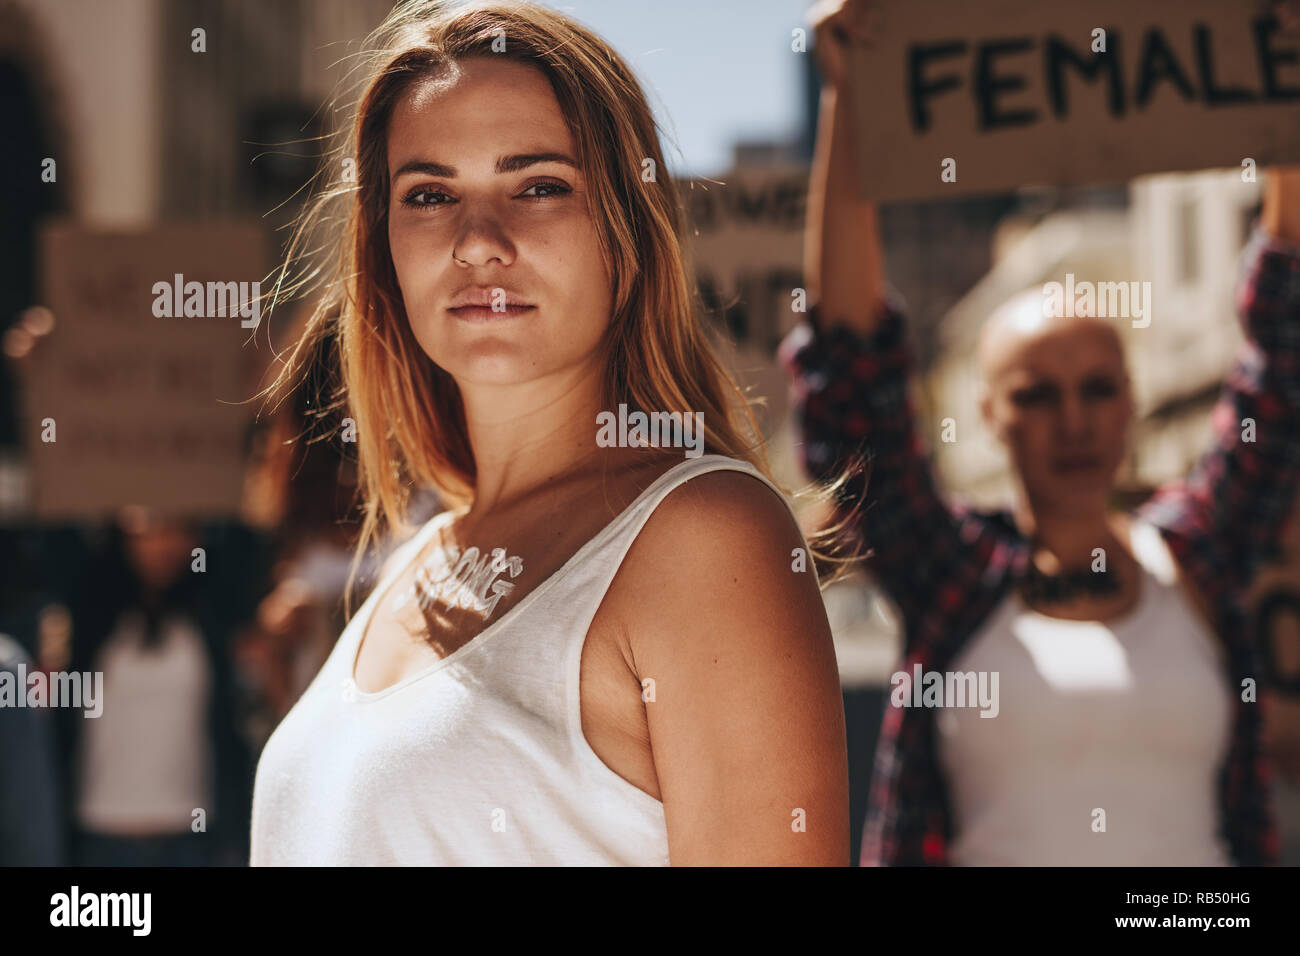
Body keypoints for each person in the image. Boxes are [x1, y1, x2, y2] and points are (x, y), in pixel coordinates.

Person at [249, 0, 849, 866]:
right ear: (384, 248)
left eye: (538, 186)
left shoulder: (704, 537)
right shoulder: (413, 560)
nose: (479, 242)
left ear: (625, 234)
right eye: (430, 194)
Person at [782, 0, 1300, 865]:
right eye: (1036, 395)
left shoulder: (1199, 563)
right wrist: (850, 103)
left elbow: (1285, 353)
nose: (1073, 421)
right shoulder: (952, 577)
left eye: (1097, 389)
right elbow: (850, 373)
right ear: (988, 414)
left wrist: (1283, 73)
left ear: (1131, 403)